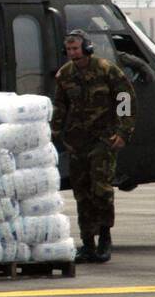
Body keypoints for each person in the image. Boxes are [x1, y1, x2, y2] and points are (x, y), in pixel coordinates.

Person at [50, 29, 136, 263]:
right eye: (69, 50)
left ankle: (105, 239)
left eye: (76, 49)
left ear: (86, 48)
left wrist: (123, 131)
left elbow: (124, 98)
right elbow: (60, 107)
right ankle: (88, 243)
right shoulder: (64, 75)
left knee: (102, 190)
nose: (73, 54)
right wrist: (54, 136)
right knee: (81, 192)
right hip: (77, 142)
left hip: (103, 140)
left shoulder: (106, 70)